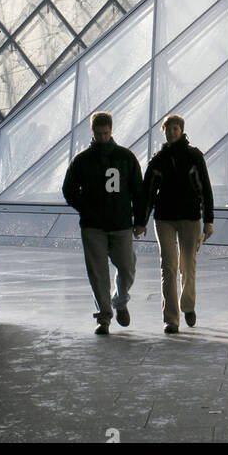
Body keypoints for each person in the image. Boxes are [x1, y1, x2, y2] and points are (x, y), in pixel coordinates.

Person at [62, 111, 145, 335]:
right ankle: (104, 317)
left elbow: (139, 190)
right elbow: (68, 190)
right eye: (98, 134)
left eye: (105, 133)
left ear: (111, 130)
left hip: (121, 224)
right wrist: (86, 209)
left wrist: (140, 221)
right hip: (93, 226)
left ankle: (120, 301)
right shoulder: (82, 161)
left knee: (127, 268)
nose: (102, 137)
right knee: (98, 273)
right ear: (92, 132)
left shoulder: (126, 158)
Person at [141, 115, 214, 334]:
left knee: (187, 265)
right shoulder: (158, 160)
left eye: (175, 128)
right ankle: (171, 319)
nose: (172, 132)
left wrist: (208, 220)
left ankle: (188, 306)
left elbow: (206, 190)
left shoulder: (194, 156)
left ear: (181, 130)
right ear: (163, 132)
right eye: (168, 129)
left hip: (190, 217)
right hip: (164, 218)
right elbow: (148, 193)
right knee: (168, 267)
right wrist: (141, 221)